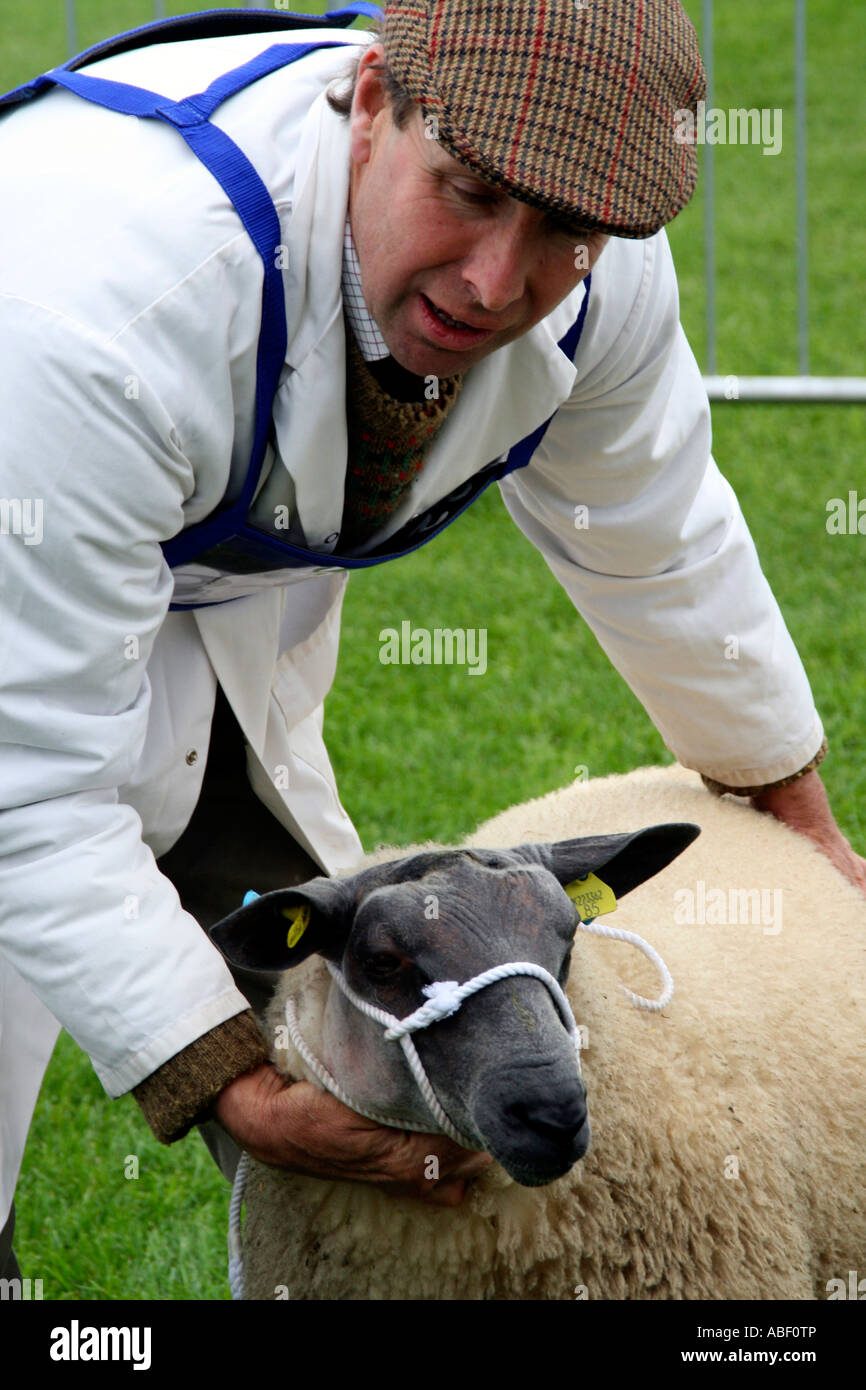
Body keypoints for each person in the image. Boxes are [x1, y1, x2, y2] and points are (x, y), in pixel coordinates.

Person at [1, 0, 862, 1285]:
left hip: (209, 586)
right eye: (463, 190)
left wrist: (794, 815)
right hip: (30, 512)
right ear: (369, 101)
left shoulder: (599, 263)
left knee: (346, 1025)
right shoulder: (95, 311)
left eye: (560, 233)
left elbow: (652, 525)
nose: (489, 282)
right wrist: (218, 1083)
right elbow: (31, 779)